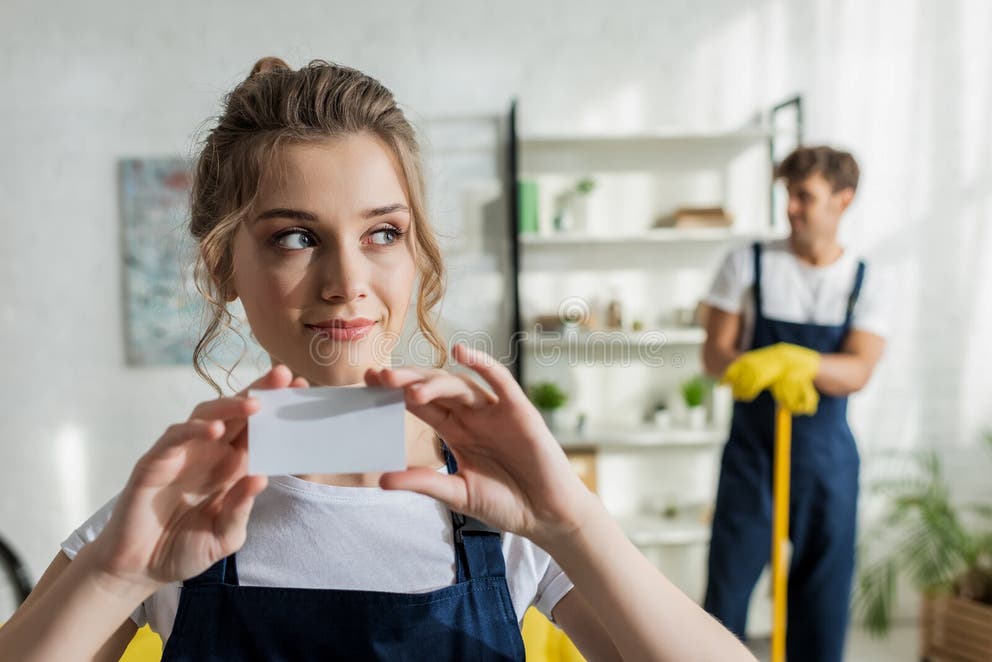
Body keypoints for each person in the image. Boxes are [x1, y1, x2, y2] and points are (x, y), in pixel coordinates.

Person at [0, 57, 755, 662]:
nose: (347, 283)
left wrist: (572, 522)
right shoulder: (170, 517)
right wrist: (114, 577)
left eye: (383, 233)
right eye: (295, 237)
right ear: (223, 264)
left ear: (419, 252)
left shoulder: (507, 506)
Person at [701, 145, 888, 662]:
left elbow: (860, 368)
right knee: (726, 596)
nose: (792, 208)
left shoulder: (863, 280)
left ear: (843, 201)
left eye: (805, 196)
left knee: (821, 600)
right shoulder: (748, 262)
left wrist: (801, 364)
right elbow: (715, 353)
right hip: (752, 456)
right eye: (789, 194)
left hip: (827, 462)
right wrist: (749, 367)